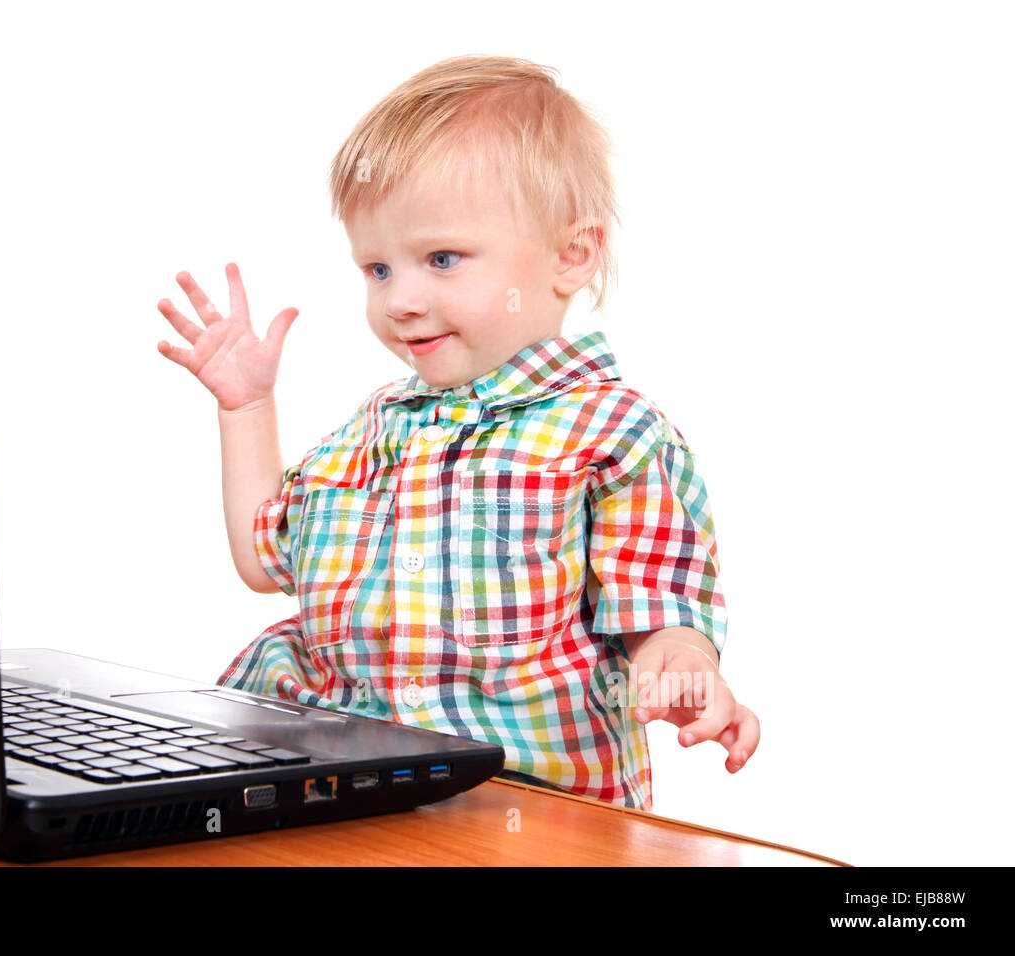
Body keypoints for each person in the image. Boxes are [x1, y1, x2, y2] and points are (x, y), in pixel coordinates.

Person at [156, 54, 759, 809]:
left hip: (523, 808)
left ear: (572, 255)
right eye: (377, 269)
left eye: (442, 259)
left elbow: (663, 610)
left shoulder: (612, 432)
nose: (401, 300)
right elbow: (264, 559)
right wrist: (246, 408)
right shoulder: (376, 427)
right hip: (342, 790)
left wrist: (677, 663)